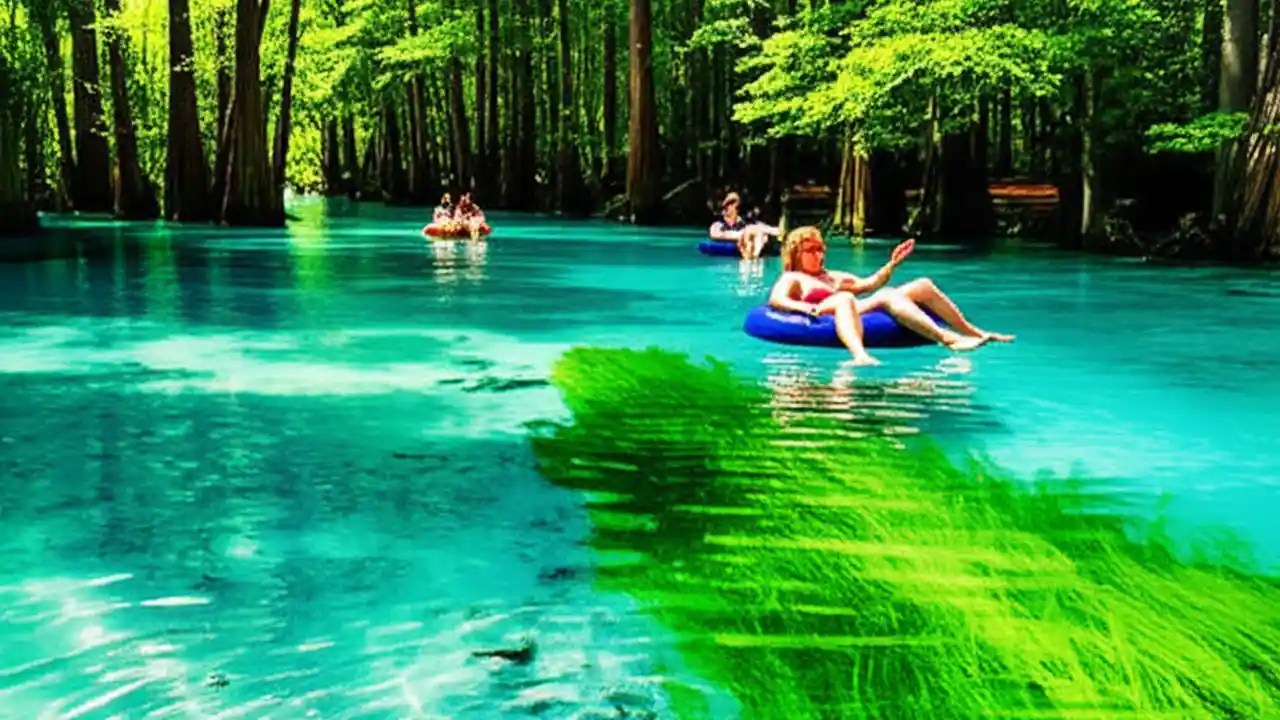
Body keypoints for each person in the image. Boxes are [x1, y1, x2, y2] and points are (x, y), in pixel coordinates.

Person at [767, 226, 1014, 366]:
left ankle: (975, 332)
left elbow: (870, 283)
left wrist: (892, 264)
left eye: (820, 249)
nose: (818, 255)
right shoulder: (793, 278)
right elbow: (777, 300)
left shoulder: (834, 276)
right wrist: (805, 309)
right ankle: (862, 355)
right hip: (824, 312)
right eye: (811, 250)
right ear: (796, 254)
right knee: (851, 298)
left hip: (855, 309)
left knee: (922, 285)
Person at [709, 192, 780, 260]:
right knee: (753, 231)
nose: (733, 206)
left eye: (735, 204)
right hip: (739, 240)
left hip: (753, 243)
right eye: (730, 204)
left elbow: (768, 229)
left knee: (760, 232)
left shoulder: (747, 221)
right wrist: (745, 234)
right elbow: (715, 234)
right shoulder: (718, 224)